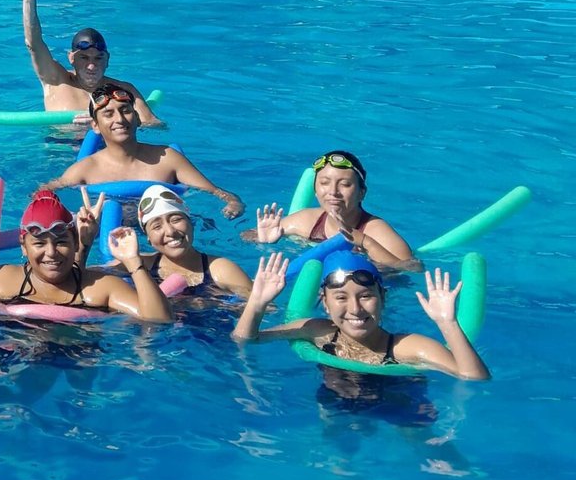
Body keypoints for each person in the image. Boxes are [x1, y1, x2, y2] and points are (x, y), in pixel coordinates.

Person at [231, 252, 490, 379]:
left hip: (401, 406)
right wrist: (257, 302)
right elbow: (245, 339)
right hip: (337, 401)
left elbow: (474, 377)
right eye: (341, 298)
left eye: (366, 296)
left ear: (383, 298)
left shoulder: (406, 347)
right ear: (325, 304)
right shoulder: (318, 330)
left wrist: (448, 323)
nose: (355, 309)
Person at [0, 189, 174, 322]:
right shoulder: (2, 278)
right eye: (39, 243)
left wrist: (134, 263)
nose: (50, 253)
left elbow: (159, 319)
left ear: (75, 242)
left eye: (61, 242)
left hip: (78, 361)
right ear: (23, 246)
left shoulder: (102, 287)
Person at [48, 83, 244, 219]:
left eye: (125, 110)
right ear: (96, 126)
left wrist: (233, 203)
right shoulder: (84, 170)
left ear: (137, 118)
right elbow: (44, 192)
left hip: (164, 230)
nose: (119, 119)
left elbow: (216, 192)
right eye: (108, 114)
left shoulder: (168, 159)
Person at [14, 0, 162, 126]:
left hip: (107, 143)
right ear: (71, 58)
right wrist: (28, 1)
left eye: (98, 58)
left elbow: (157, 126)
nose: (92, 66)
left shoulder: (123, 91)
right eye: (84, 58)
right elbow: (33, 44)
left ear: (107, 59)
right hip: (58, 143)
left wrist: (112, 121)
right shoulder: (55, 80)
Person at [251, 151, 419, 270]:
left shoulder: (376, 231)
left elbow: (413, 268)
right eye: (324, 183)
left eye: (345, 184)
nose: (333, 192)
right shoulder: (306, 222)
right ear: (315, 191)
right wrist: (262, 240)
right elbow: (247, 235)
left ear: (362, 192)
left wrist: (366, 243)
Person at [108, 184, 252, 298]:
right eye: (157, 226)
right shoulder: (138, 263)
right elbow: (94, 278)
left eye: (176, 220)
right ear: (149, 239)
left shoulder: (221, 270)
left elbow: (260, 308)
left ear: (191, 224)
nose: (170, 232)